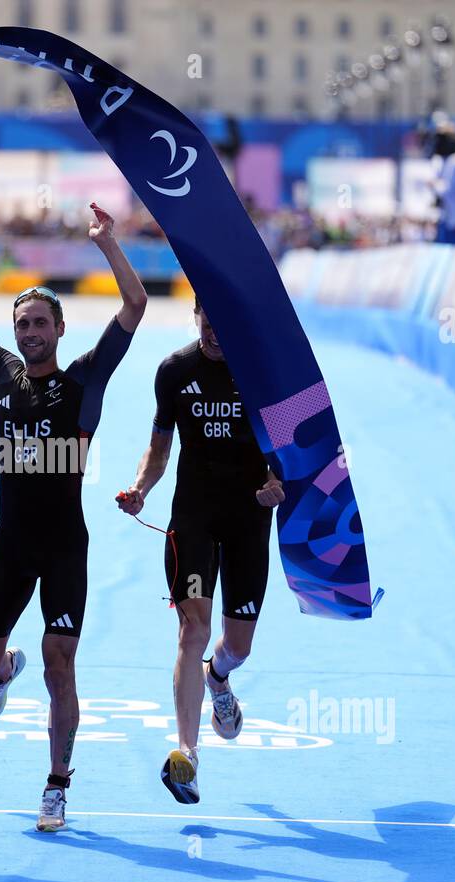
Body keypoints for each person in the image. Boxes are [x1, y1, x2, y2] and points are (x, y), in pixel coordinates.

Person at [0, 185, 146, 832]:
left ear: (60, 330)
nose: (31, 332)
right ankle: (5, 670)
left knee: (61, 661)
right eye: (23, 324)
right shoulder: (2, 376)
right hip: (10, 543)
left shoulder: (85, 379)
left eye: (41, 323)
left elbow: (136, 305)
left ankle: (58, 784)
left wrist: (106, 243)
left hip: (65, 544)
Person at [117, 292, 284, 804]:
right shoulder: (173, 371)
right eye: (205, 323)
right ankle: (187, 753)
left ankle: (220, 677)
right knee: (193, 628)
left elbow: (290, 446)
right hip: (192, 517)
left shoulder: (266, 372)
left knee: (238, 645)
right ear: (196, 318)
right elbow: (160, 445)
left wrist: (277, 484)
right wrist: (141, 487)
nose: (213, 333)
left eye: (222, 324)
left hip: (249, 520)